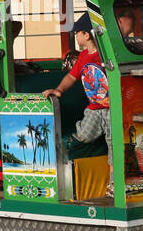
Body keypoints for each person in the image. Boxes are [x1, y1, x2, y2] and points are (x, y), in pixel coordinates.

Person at [43, 12, 112, 150]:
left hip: (111, 108)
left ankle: (113, 169)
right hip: (93, 108)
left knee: (113, 141)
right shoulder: (83, 56)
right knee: (84, 135)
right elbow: (71, 76)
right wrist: (59, 89)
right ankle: (74, 137)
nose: (76, 36)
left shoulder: (105, 55)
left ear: (86, 35)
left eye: (77, 33)